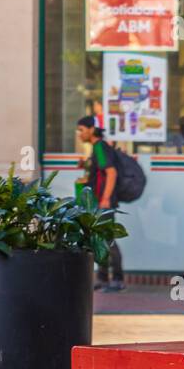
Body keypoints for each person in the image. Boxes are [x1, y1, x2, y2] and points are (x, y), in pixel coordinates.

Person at [76, 115, 124, 292]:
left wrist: (105, 199)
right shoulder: (97, 149)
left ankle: (117, 279)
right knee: (100, 239)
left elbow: (111, 173)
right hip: (99, 202)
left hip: (104, 202)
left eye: (81, 130)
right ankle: (103, 278)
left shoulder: (100, 148)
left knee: (108, 240)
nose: (79, 134)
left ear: (91, 129)